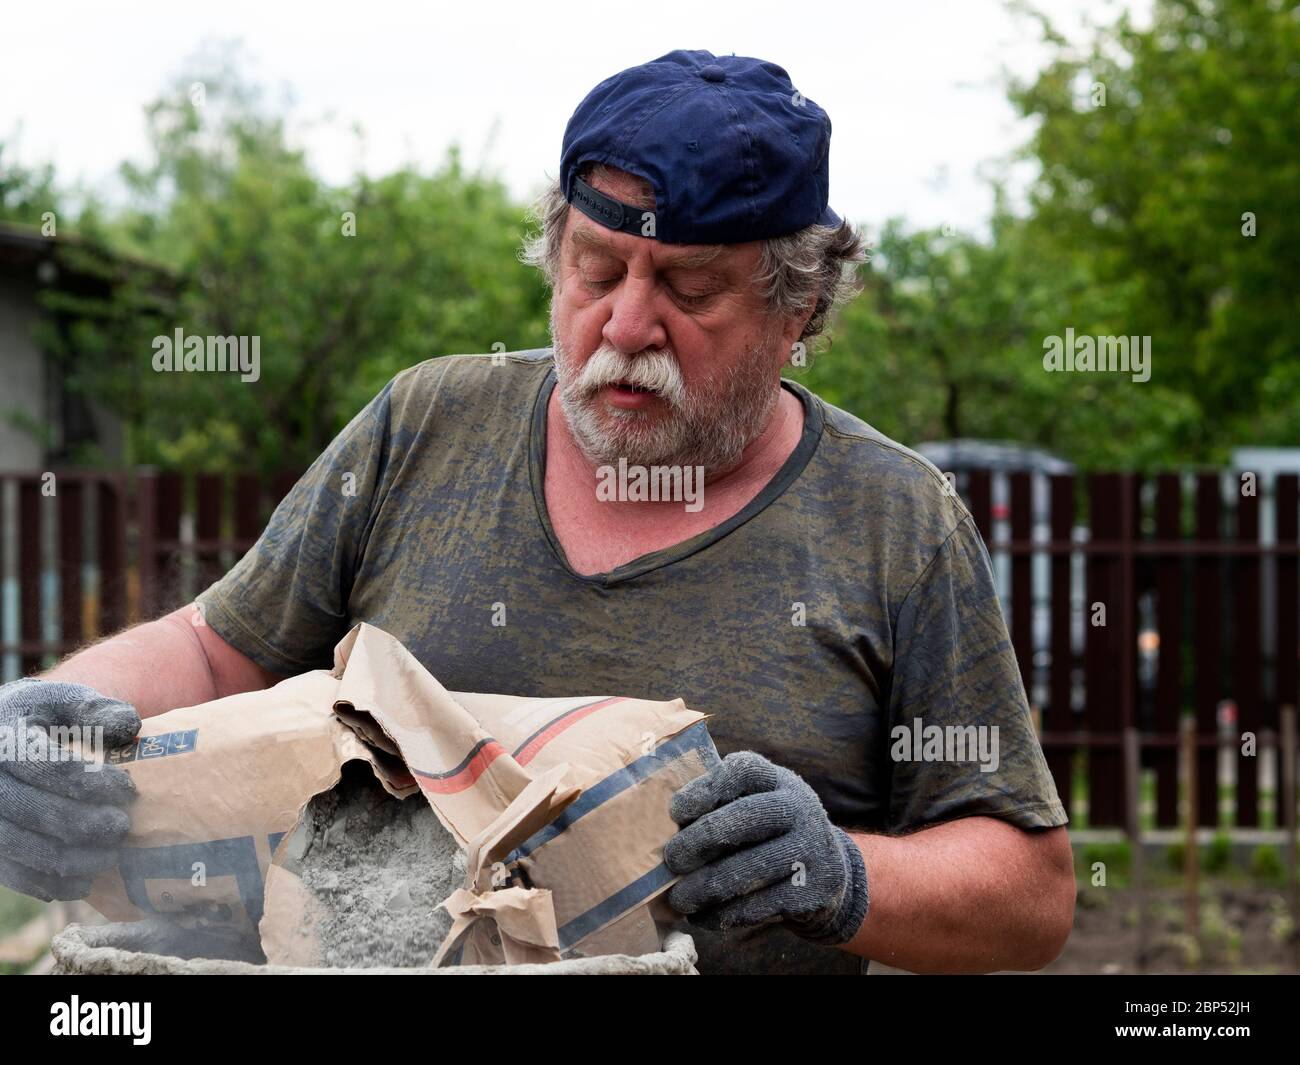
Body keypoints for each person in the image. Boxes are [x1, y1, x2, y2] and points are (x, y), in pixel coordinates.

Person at [0, 49, 1073, 974]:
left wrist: (844, 876)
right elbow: (210, 650)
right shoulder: (429, 423)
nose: (628, 324)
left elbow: (1028, 895)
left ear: (798, 307)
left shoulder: (894, 521)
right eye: (595, 269)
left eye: (690, 291)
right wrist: (36, 719)